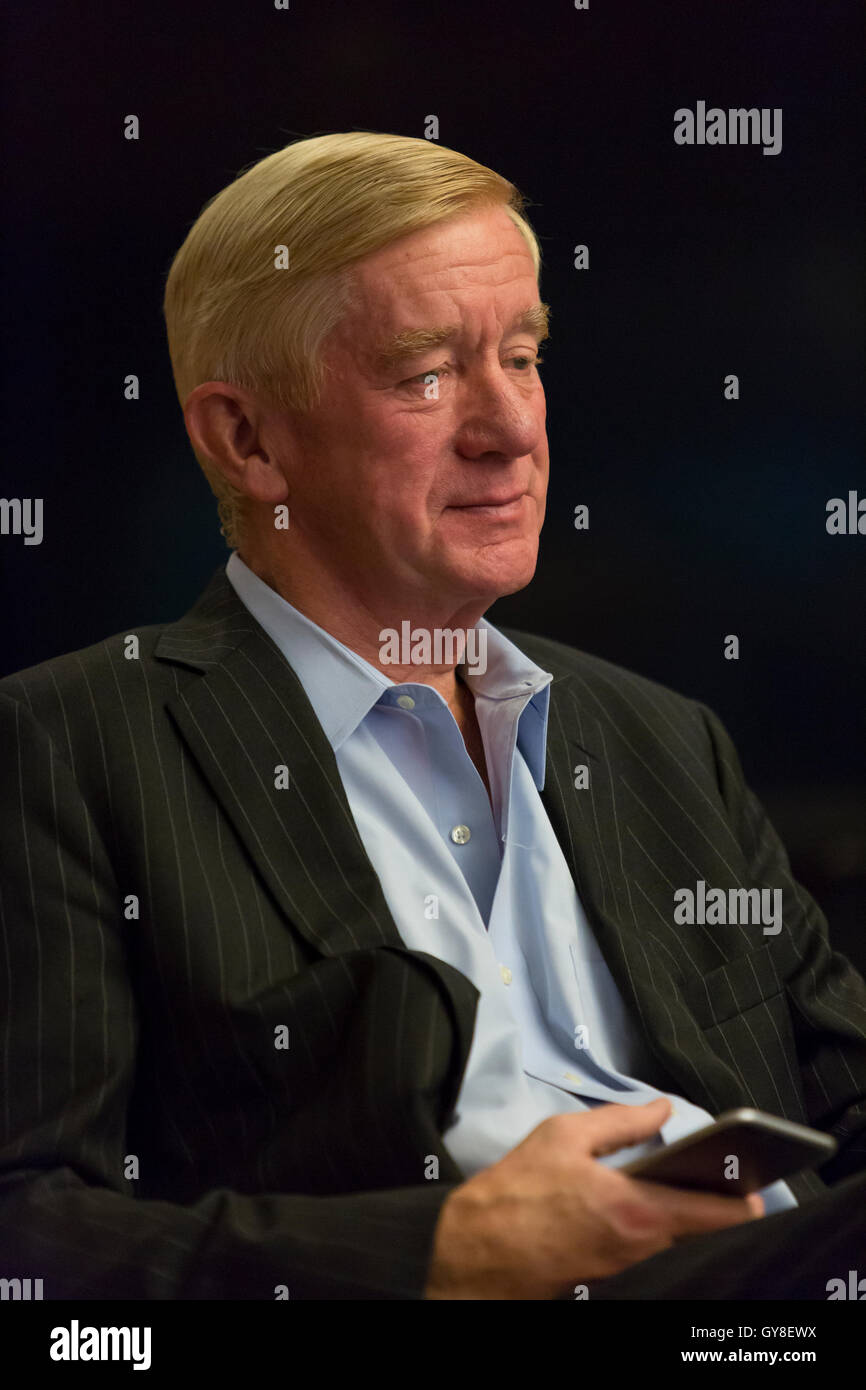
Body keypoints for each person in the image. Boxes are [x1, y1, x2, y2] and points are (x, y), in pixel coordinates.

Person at [1, 132, 864, 1301]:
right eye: (425, 374)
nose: (508, 427)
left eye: (521, 355)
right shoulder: (69, 744)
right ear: (245, 439)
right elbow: (29, 1238)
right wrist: (445, 1253)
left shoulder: (662, 739)